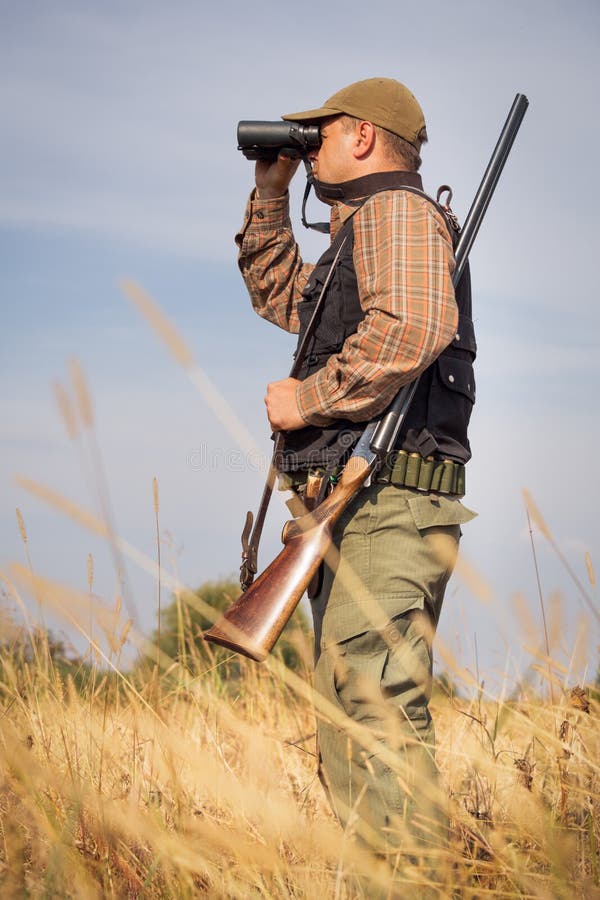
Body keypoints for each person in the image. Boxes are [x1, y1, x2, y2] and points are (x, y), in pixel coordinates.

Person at [235, 77, 476, 868]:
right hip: (360, 504)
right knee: (350, 715)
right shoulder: (363, 232)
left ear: (364, 138)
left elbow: (414, 323)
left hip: (388, 497)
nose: (308, 150)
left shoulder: (398, 213)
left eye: (320, 136)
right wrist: (270, 192)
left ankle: (408, 885)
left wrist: (306, 400)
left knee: (373, 714)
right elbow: (285, 296)